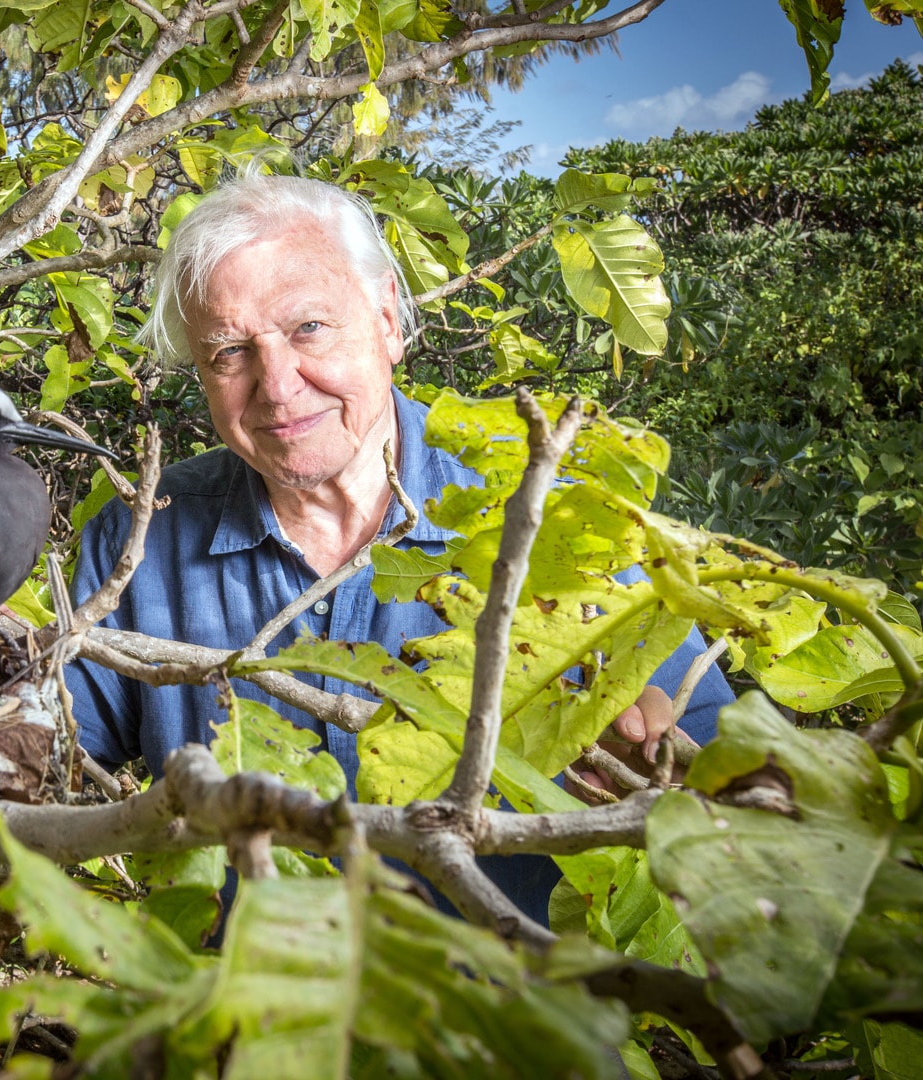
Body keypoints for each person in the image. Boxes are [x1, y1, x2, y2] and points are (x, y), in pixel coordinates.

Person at [63, 173, 734, 924]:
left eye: (308, 328)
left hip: (512, 992)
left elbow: (722, 791)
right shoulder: (141, 537)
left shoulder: (555, 519)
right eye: (229, 352)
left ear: (387, 319)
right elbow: (50, 754)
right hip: (248, 994)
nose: (276, 386)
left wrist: (655, 770)